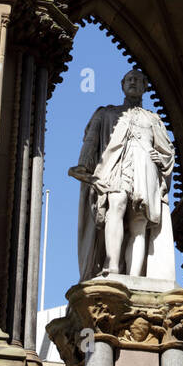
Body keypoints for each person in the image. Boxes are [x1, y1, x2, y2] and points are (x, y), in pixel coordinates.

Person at [69, 69, 175, 282]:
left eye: (138, 80)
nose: (133, 82)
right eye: (129, 79)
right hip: (115, 167)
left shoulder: (153, 119)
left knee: (139, 222)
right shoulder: (106, 113)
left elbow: (167, 151)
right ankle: (112, 265)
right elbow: (91, 141)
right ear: (122, 84)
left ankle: (136, 277)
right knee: (116, 204)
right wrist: (82, 165)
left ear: (145, 86)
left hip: (144, 169)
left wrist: (160, 158)